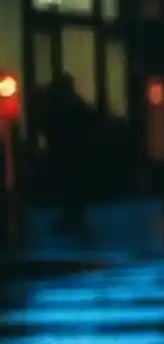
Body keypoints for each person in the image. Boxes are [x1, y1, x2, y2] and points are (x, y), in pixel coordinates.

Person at [42, 72, 93, 232]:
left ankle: (73, 217)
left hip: (71, 155)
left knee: (71, 186)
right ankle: (73, 217)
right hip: (73, 155)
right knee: (71, 186)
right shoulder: (75, 106)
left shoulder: (69, 107)